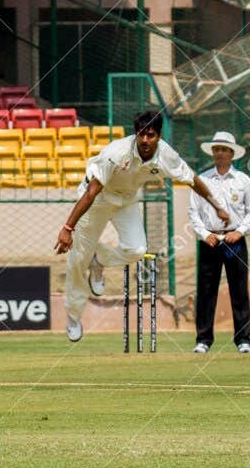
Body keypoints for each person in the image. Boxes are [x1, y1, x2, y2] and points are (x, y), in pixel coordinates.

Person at [55, 110, 231, 343]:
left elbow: (192, 179)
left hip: (125, 200)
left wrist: (217, 205)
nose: (145, 140)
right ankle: (74, 316)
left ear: (158, 136)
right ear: (135, 134)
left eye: (151, 135)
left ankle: (99, 261)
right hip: (97, 199)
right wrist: (68, 228)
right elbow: (91, 192)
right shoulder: (116, 153)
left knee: (136, 250)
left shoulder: (166, 154)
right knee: (77, 259)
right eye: (141, 135)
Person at [189, 131, 250, 354]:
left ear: (232, 154)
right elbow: (193, 212)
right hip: (210, 240)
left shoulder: (244, 180)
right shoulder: (202, 180)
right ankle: (203, 340)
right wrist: (205, 234)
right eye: (216, 149)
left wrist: (241, 231)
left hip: (235, 239)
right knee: (206, 291)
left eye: (224, 149)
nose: (220, 153)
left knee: (240, 290)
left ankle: (243, 339)